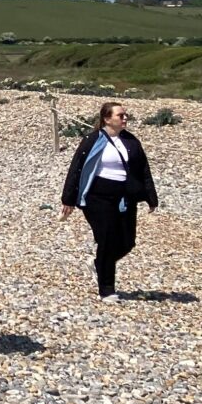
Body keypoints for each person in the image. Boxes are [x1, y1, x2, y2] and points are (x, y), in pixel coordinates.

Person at [61, 101, 159, 301]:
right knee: (107, 239)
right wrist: (68, 199)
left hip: (124, 198)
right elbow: (77, 168)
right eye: (120, 115)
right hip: (98, 198)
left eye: (125, 115)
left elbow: (143, 170)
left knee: (127, 242)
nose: (124, 118)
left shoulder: (131, 141)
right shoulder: (93, 140)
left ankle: (99, 264)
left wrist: (151, 197)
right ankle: (106, 290)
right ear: (107, 119)